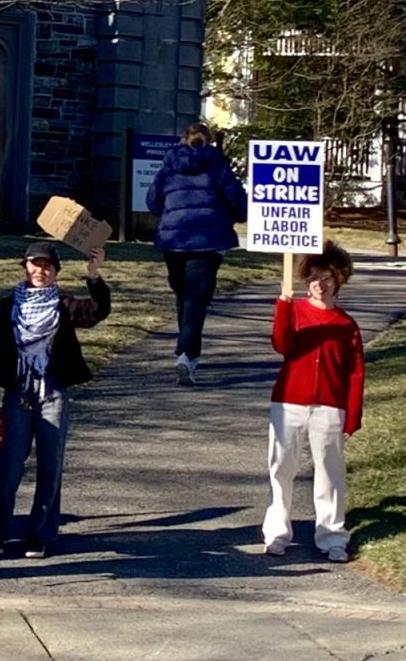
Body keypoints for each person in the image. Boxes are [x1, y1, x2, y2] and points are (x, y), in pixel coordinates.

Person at [0, 241, 110, 559]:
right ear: (24, 267)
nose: (41, 271)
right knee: (10, 465)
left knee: (50, 466)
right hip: (17, 394)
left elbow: (98, 311)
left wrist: (94, 276)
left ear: (56, 272)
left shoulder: (64, 306)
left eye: (47, 266)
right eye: (35, 265)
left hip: (52, 393)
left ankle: (38, 535)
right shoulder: (6, 307)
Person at [262, 241, 365, 562]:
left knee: (329, 470)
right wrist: (283, 304)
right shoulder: (295, 311)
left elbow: (355, 375)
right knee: (281, 466)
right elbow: (282, 344)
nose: (319, 285)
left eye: (327, 279)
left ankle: (332, 535)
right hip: (289, 401)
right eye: (314, 278)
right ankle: (277, 532)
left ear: (338, 281)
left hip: (330, 406)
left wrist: (352, 417)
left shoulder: (347, 325)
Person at [145, 121, 247, 386]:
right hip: (208, 240)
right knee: (196, 299)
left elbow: (153, 201)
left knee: (183, 295)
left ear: (183, 140)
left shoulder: (169, 166)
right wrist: (235, 217)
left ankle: (186, 349)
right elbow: (238, 201)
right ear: (209, 140)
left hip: (173, 239)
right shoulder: (217, 165)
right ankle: (187, 353)